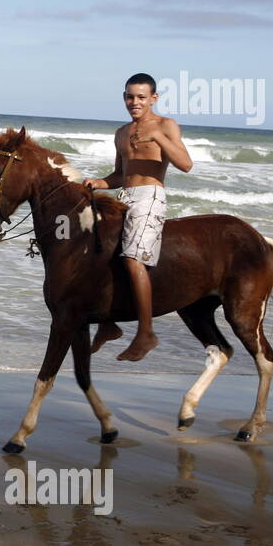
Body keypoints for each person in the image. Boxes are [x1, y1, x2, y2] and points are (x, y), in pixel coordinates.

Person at [86, 73, 193, 361]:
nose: (135, 102)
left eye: (141, 97)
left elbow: (185, 164)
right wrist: (98, 182)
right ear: (124, 98)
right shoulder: (121, 132)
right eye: (130, 97)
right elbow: (120, 175)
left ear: (153, 99)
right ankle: (107, 325)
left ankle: (146, 334)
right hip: (125, 197)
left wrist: (157, 136)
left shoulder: (166, 125)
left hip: (150, 196)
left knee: (133, 259)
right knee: (98, 250)